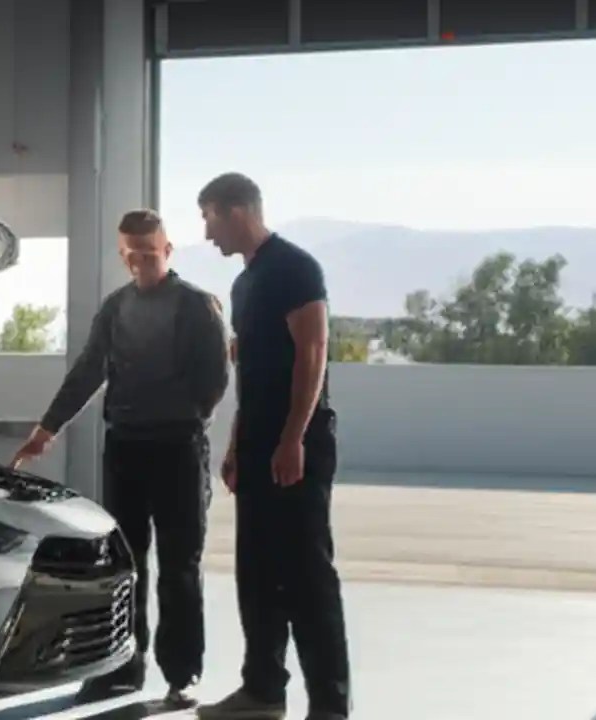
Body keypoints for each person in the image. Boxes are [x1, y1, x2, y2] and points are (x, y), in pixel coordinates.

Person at [11, 209, 230, 709]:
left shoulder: (197, 306)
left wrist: (182, 415)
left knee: (179, 565)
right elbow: (88, 371)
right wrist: (46, 430)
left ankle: (181, 674)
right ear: (121, 253)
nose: (140, 264)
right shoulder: (115, 308)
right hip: (125, 449)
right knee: (126, 563)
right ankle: (122, 669)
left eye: (149, 254)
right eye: (131, 255)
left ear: (168, 251)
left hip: (177, 449)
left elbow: (214, 380)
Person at [193, 173, 352, 720]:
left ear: (236, 211)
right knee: (257, 573)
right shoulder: (244, 284)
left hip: (297, 443)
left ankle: (330, 706)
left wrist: (292, 439)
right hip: (259, 442)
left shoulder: (295, 268)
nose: (208, 233)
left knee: (306, 574)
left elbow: (314, 354)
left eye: (209, 218)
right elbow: (252, 374)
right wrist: (237, 445)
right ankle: (262, 692)